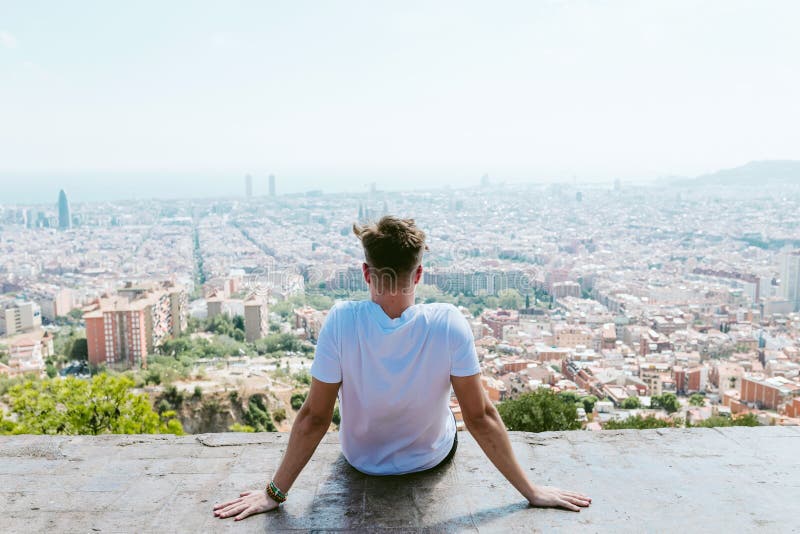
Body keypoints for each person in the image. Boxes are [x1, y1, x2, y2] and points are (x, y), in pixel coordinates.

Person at [214, 216, 591, 521]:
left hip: (361, 462)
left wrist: (274, 494)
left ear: (366, 273)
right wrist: (532, 492)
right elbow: (480, 417)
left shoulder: (341, 321)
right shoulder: (448, 323)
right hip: (429, 458)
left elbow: (315, 417)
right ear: (419, 274)